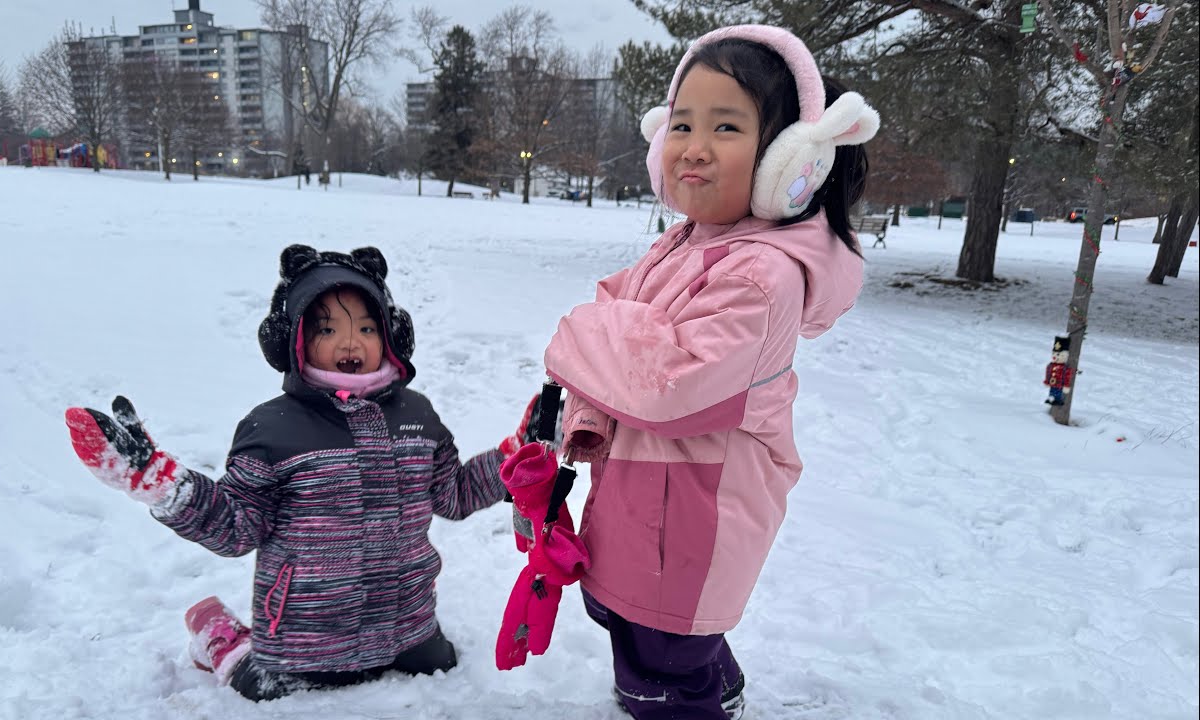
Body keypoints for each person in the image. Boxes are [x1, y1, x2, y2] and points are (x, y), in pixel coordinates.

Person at [542, 25, 879, 720]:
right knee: (627, 613)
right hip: (647, 493)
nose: (694, 147)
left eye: (726, 126)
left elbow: (665, 387)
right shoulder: (686, 241)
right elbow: (619, 316)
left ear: (789, 157)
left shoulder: (761, 276)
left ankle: (685, 702)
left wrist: (582, 341)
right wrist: (587, 408)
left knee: (658, 651)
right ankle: (712, 684)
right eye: (683, 123)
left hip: (693, 515)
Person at [65, 244, 534, 702]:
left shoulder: (418, 415)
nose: (351, 342)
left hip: (406, 626)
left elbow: (453, 494)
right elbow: (236, 525)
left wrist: (517, 455)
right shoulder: (272, 428)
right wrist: (163, 487)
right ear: (296, 341)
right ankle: (220, 635)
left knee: (440, 669)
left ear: (391, 335)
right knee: (262, 692)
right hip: (305, 637)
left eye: (368, 328)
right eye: (328, 330)